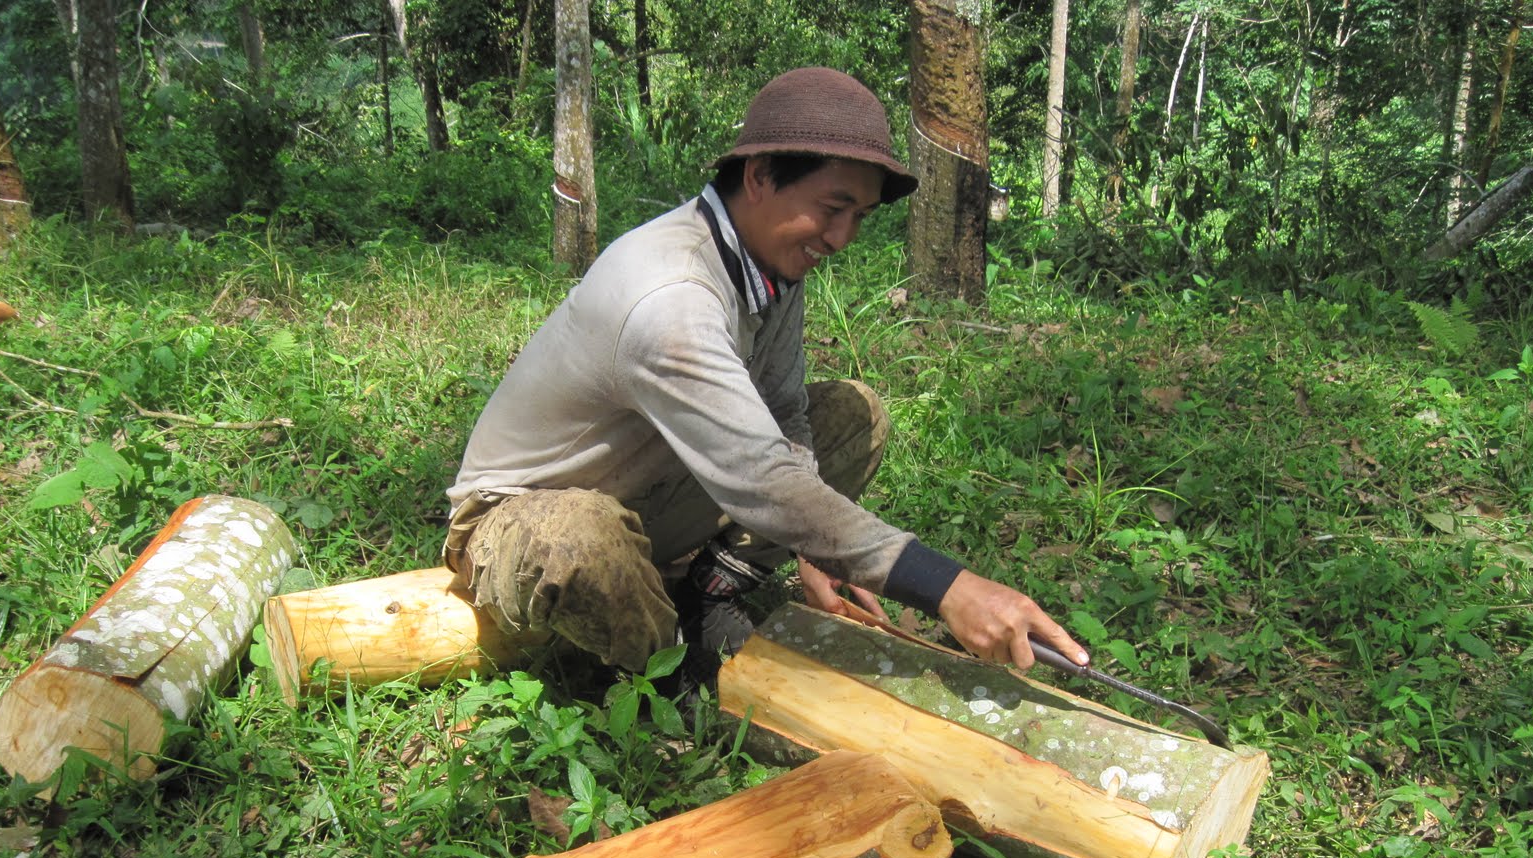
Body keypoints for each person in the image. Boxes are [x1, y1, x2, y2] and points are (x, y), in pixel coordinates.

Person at [444, 66, 1087, 687]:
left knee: (851, 417)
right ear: (758, 176)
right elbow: (763, 481)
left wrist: (814, 546)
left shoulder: (770, 264)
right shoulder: (668, 295)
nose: (841, 237)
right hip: (525, 520)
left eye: (859, 216)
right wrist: (950, 588)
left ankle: (710, 592)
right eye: (833, 207)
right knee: (581, 541)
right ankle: (664, 672)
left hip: (653, 493)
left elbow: (782, 417)